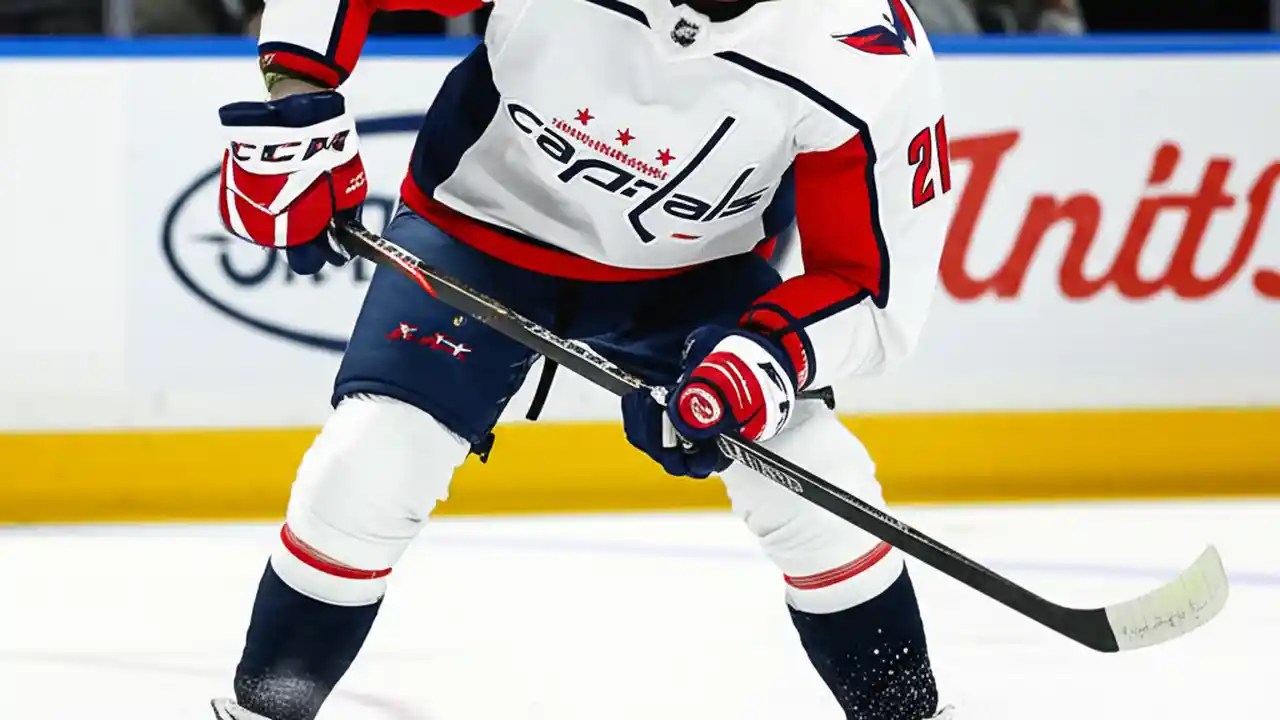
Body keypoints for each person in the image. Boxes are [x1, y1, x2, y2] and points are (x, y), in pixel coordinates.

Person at [211, 0, 955, 717]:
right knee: (367, 470)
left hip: (697, 280)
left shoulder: (868, 50)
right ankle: (267, 709)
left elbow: (871, 292)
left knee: (817, 485)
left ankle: (901, 714)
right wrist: (295, 103)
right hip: (479, 234)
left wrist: (764, 361)